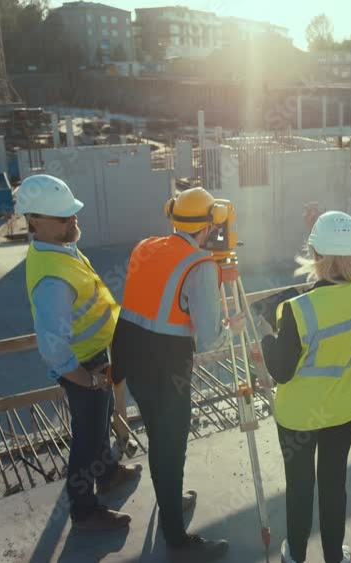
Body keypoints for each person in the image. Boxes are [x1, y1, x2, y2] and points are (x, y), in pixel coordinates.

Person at [111, 187, 241, 559]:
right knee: (172, 446)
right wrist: (235, 325)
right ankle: (176, 538)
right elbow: (209, 340)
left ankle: (170, 500)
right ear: (211, 222)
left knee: (159, 436)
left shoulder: (146, 246)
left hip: (133, 359)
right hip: (168, 368)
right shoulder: (200, 266)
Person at [16, 174, 142, 531]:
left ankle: (110, 474)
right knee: (86, 439)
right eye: (63, 217)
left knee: (100, 425)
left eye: (72, 213)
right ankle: (84, 511)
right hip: (81, 365)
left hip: (95, 355)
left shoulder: (60, 247)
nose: (72, 220)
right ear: (35, 220)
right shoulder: (52, 278)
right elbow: (52, 347)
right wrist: (85, 378)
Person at [260, 211, 351, 563]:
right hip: (342, 410)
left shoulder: (296, 310)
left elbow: (281, 370)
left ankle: (295, 553)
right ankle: (334, 556)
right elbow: (330, 298)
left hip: (298, 418)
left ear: (314, 255)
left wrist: (265, 338)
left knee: (300, 487)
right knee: (333, 484)